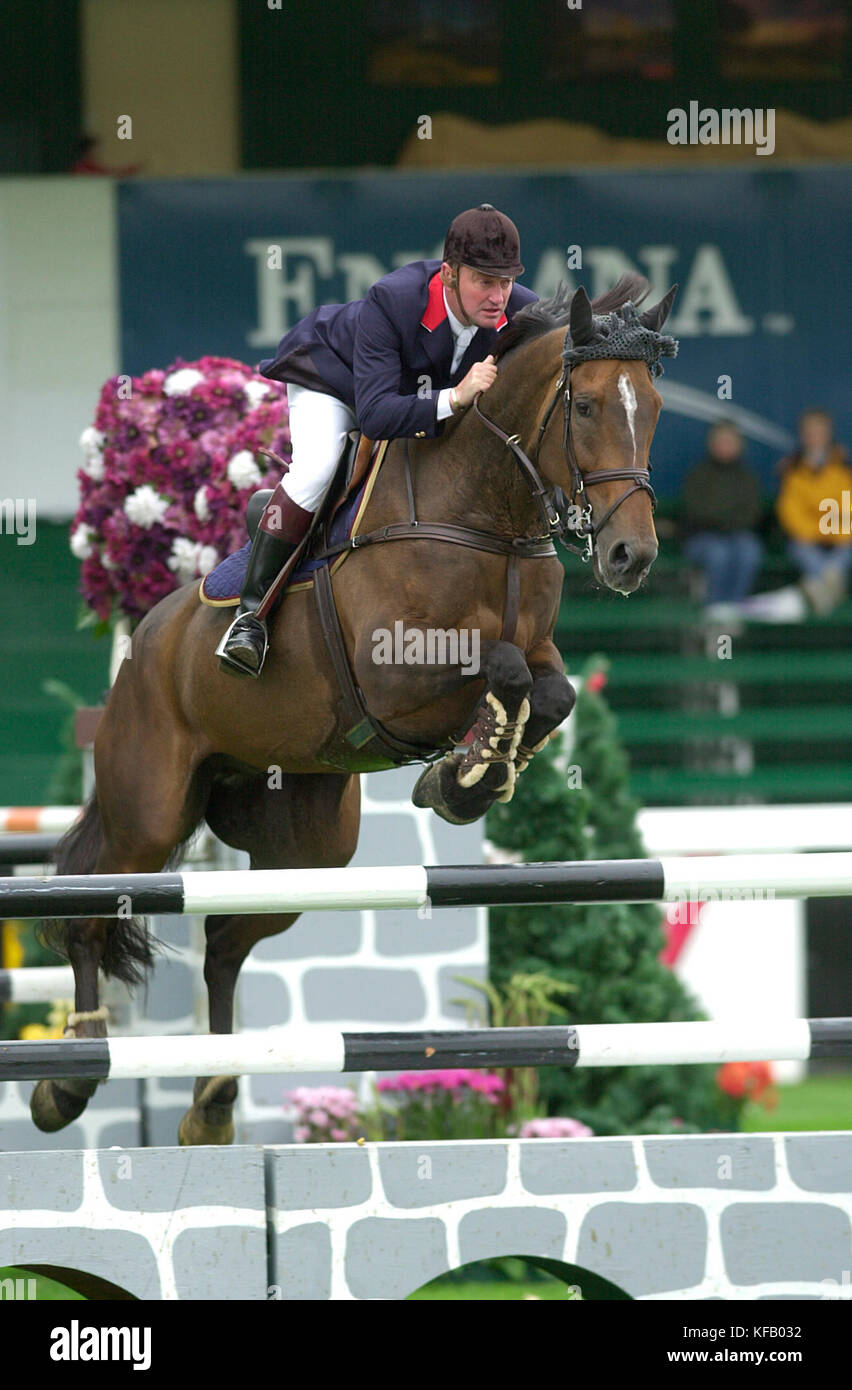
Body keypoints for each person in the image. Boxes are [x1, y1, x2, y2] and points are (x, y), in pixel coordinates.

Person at [217, 204, 538, 676]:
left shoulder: (519, 310)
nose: (498, 296)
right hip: (333, 379)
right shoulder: (394, 298)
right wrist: (457, 397)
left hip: (404, 396)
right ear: (449, 274)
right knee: (318, 469)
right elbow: (375, 415)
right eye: (484, 281)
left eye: (506, 281)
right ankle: (250, 617)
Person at [681, 421, 764, 614]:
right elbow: (696, 512)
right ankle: (714, 608)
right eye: (720, 441)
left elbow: (751, 514)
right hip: (701, 538)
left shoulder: (747, 477)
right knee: (718, 553)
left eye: (729, 441)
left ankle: (733, 609)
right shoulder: (698, 474)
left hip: (737, 537)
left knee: (749, 549)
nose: (725, 446)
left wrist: (722, 520)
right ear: (711, 444)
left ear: (739, 445)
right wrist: (724, 520)